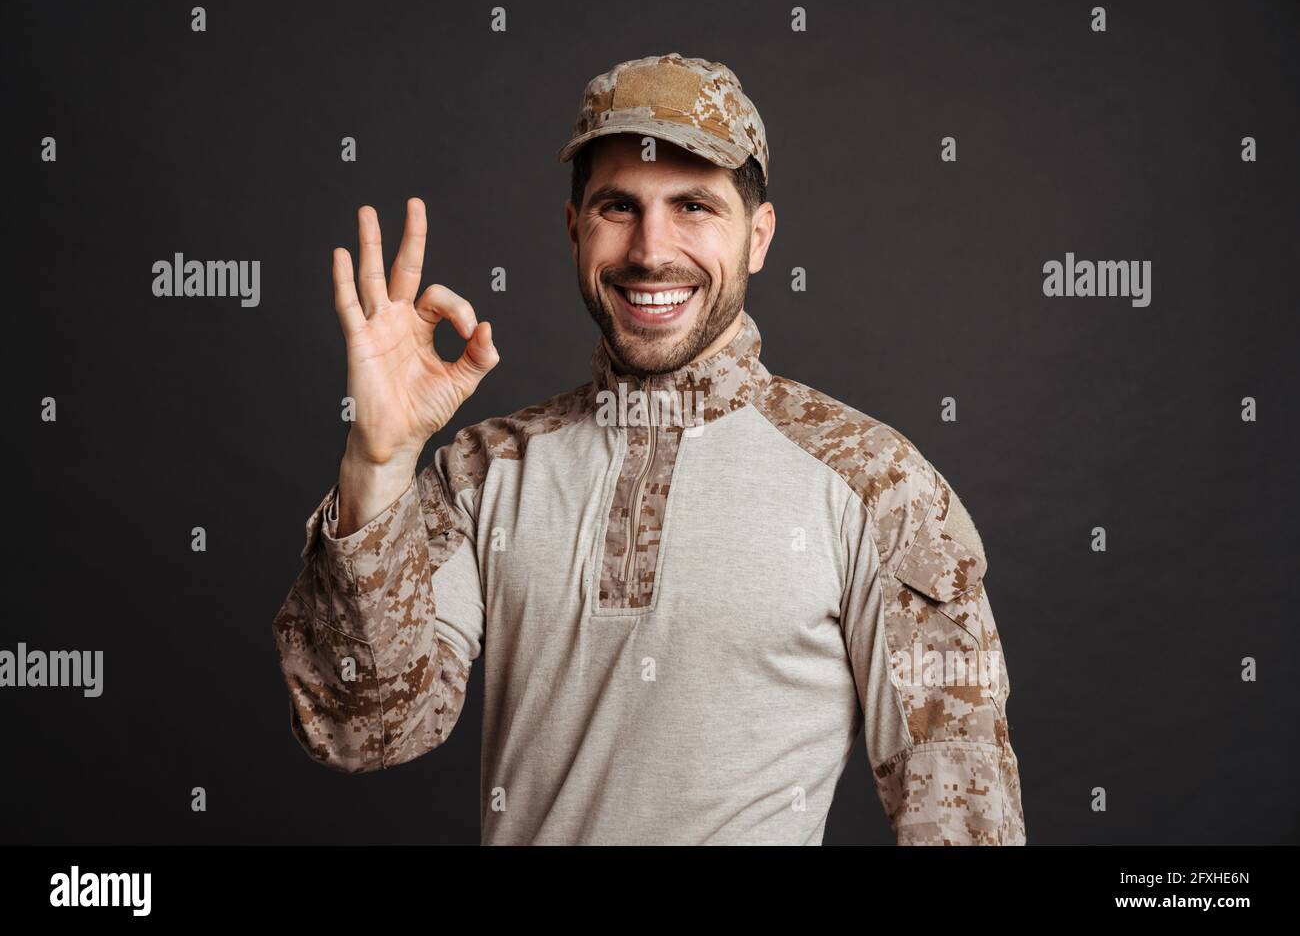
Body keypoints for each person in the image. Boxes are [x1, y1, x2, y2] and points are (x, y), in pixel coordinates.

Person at [271, 52, 1026, 845]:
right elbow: (362, 729)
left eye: (695, 205)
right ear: (574, 230)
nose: (650, 249)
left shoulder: (879, 486)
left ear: (758, 237)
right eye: (618, 207)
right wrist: (379, 464)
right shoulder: (484, 471)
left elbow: (963, 818)